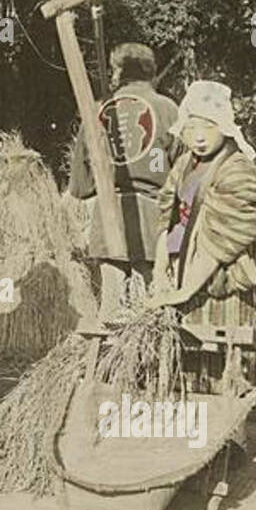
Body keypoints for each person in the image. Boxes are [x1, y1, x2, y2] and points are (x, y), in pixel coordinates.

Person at [69, 42, 179, 321]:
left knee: (111, 305)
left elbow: (81, 186)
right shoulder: (168, 110)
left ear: (116, 73)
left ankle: (110, 361)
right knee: (149, 307)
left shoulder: (96, 111)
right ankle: (146, 362)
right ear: (151, 72)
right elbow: (184, 169)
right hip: (155, 215)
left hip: (109, 214)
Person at [148, 79, 256, 314]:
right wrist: (160, 273)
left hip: (218, 287)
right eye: (191, 128)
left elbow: (224, 236)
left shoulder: (237, 170)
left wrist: (185, 292)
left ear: (223, 127)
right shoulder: (183, 165)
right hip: (178, 275)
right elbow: (166, 216)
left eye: (209, 127)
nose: (199, 138)